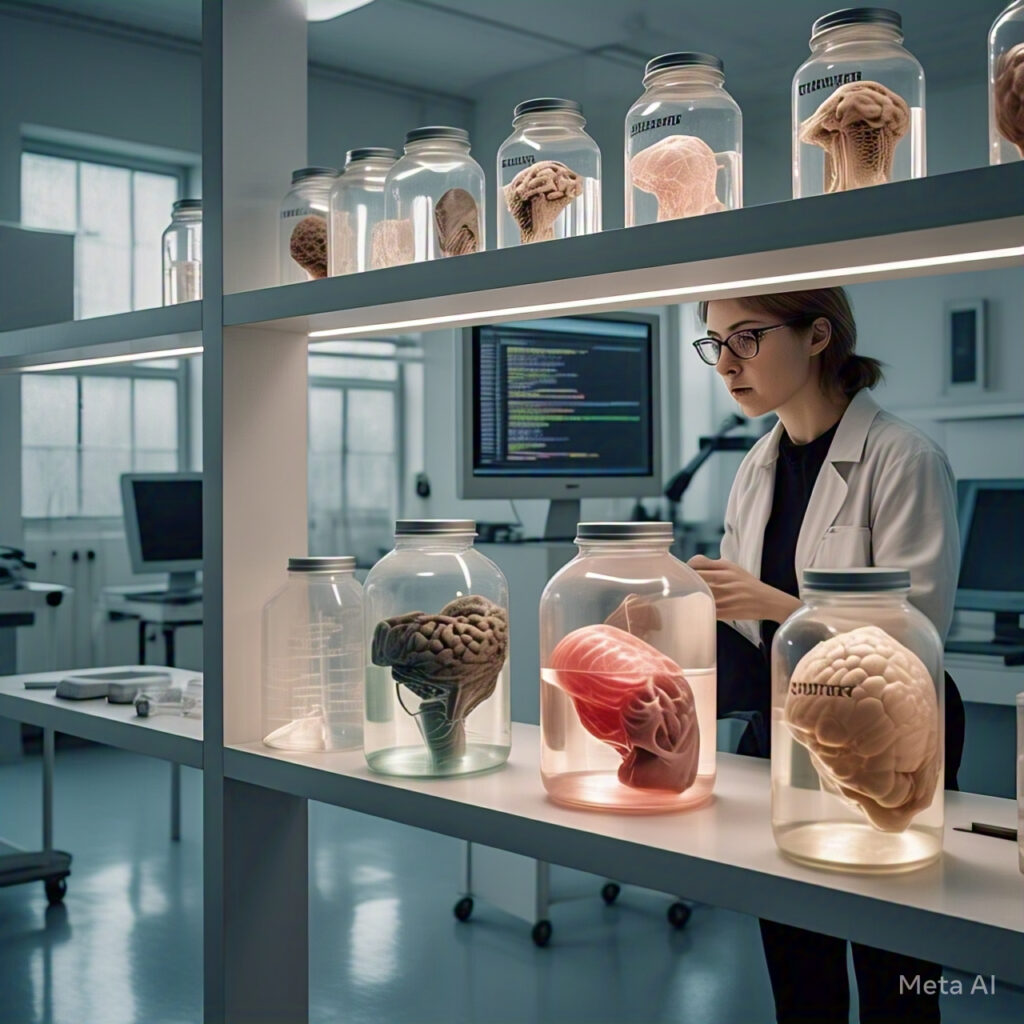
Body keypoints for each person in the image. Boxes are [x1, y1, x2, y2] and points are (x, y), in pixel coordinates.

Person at [687, 287, 965, 1024]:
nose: (726, 363)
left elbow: (918, 635)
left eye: (746, 337)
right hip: (786, 736)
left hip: (891, 734)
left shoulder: (903, 458)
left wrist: (771, 602)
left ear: (817, 336)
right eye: (715, 343)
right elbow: (752, 636)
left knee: (898, 979)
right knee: (799, 971)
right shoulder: (755, 465)